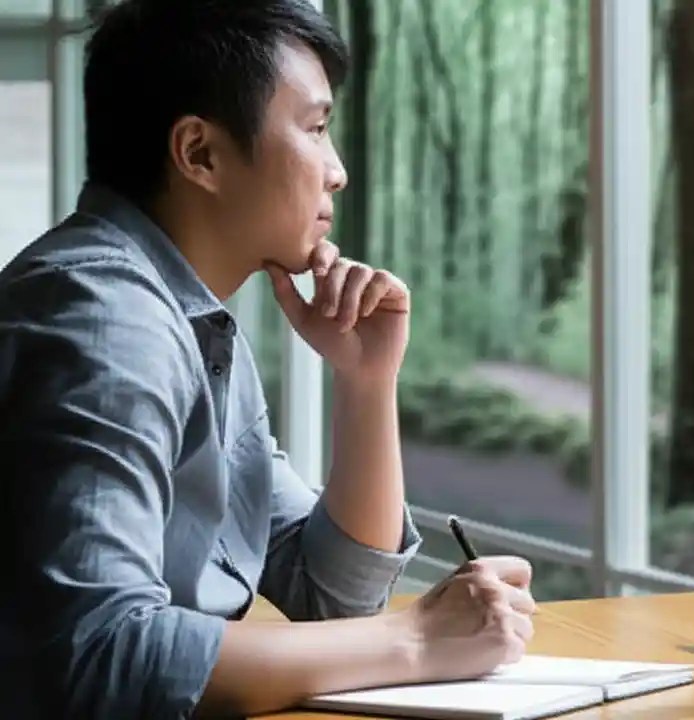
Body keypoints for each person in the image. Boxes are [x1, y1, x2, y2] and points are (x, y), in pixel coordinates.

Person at [0, 1, 535, 717]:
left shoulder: (184, 313)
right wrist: (416, 638)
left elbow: (332, 594)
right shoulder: (106, 320)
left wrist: (365, 382)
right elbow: (98, 653)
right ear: (200, 154)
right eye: (315, 128)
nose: (336, 171)